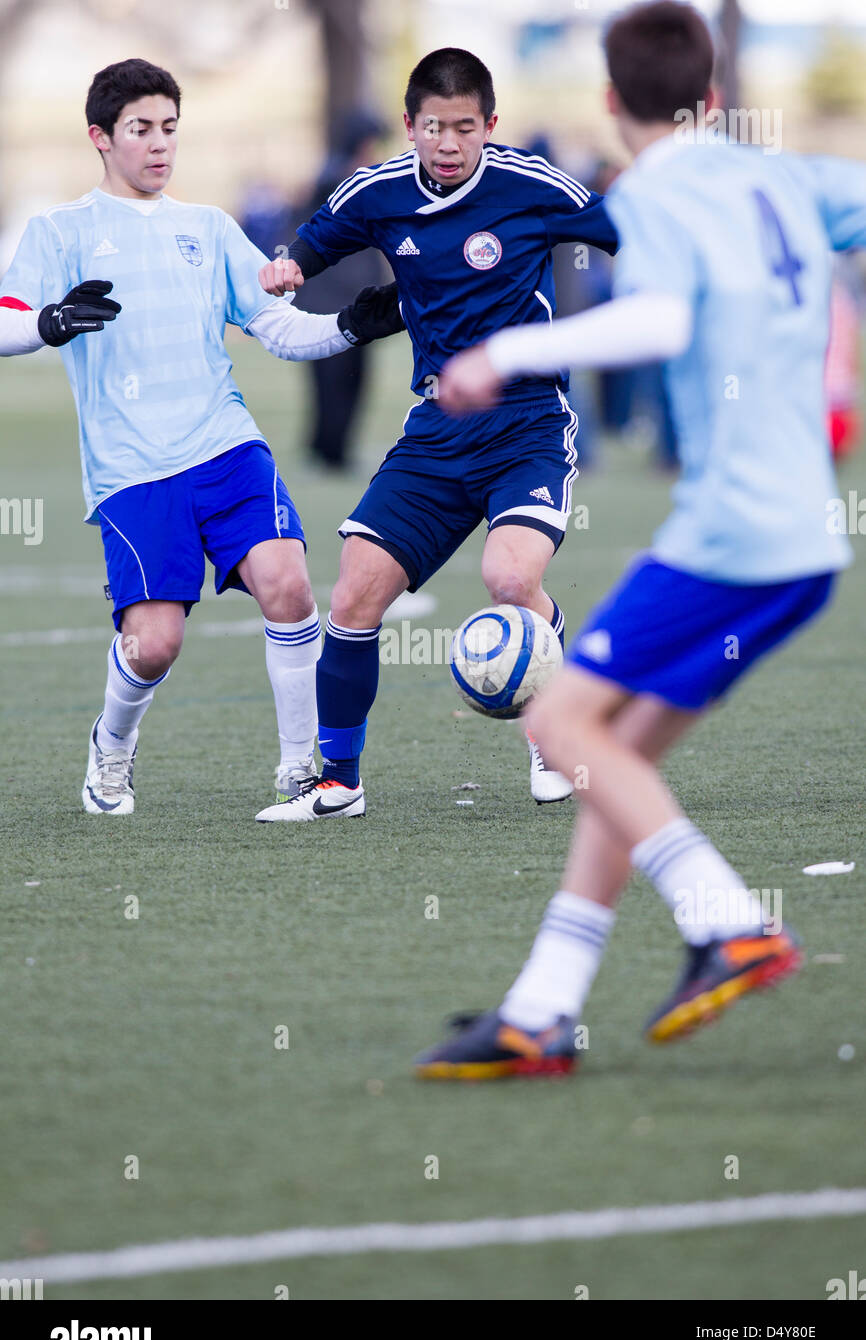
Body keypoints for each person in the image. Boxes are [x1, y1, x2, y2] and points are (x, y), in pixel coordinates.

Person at [415, 0, 861, 1079]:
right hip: (805, 535)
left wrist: (506, 352)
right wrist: (835, 348)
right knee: (610, 764)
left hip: (732, 532)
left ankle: (728, 922)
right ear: (710, 96)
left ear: (612, 103)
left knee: (558, 727)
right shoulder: (789, 176)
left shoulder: (655, 188)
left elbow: (656, 322)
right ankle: (541, 1010)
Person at [0, 58, 403, 817]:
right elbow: (5, 318)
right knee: (154, 644)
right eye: (141, 130)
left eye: (169, 130)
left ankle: (303, 771)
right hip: (132, 469)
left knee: (287, 586)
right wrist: (46, 323)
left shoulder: (209, 228)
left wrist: (352, 324)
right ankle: (111, 750)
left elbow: (277, 327)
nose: (159, 145)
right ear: (100, 137)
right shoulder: (60, 231)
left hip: (226, 446)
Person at [253, 47, 618, 823]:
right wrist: (288, 268)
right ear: (410, 126)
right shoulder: (379, 189)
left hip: (527, 422)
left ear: (489, 125)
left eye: (464, 128)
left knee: (511, 579)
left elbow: (621, 226)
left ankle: (554, 737)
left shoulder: (532, 184)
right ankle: (338, 784)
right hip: (437, 430)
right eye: (432, 128)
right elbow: (317, 238)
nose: (448, 145)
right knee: (352, 594)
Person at [294, 110, 390, 471]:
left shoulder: (346, 179)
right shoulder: (334, 180)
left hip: (353, 301)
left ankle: (335, 449)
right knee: (331, 382)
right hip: (326, 303)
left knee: (353, 381)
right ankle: (326, 451)